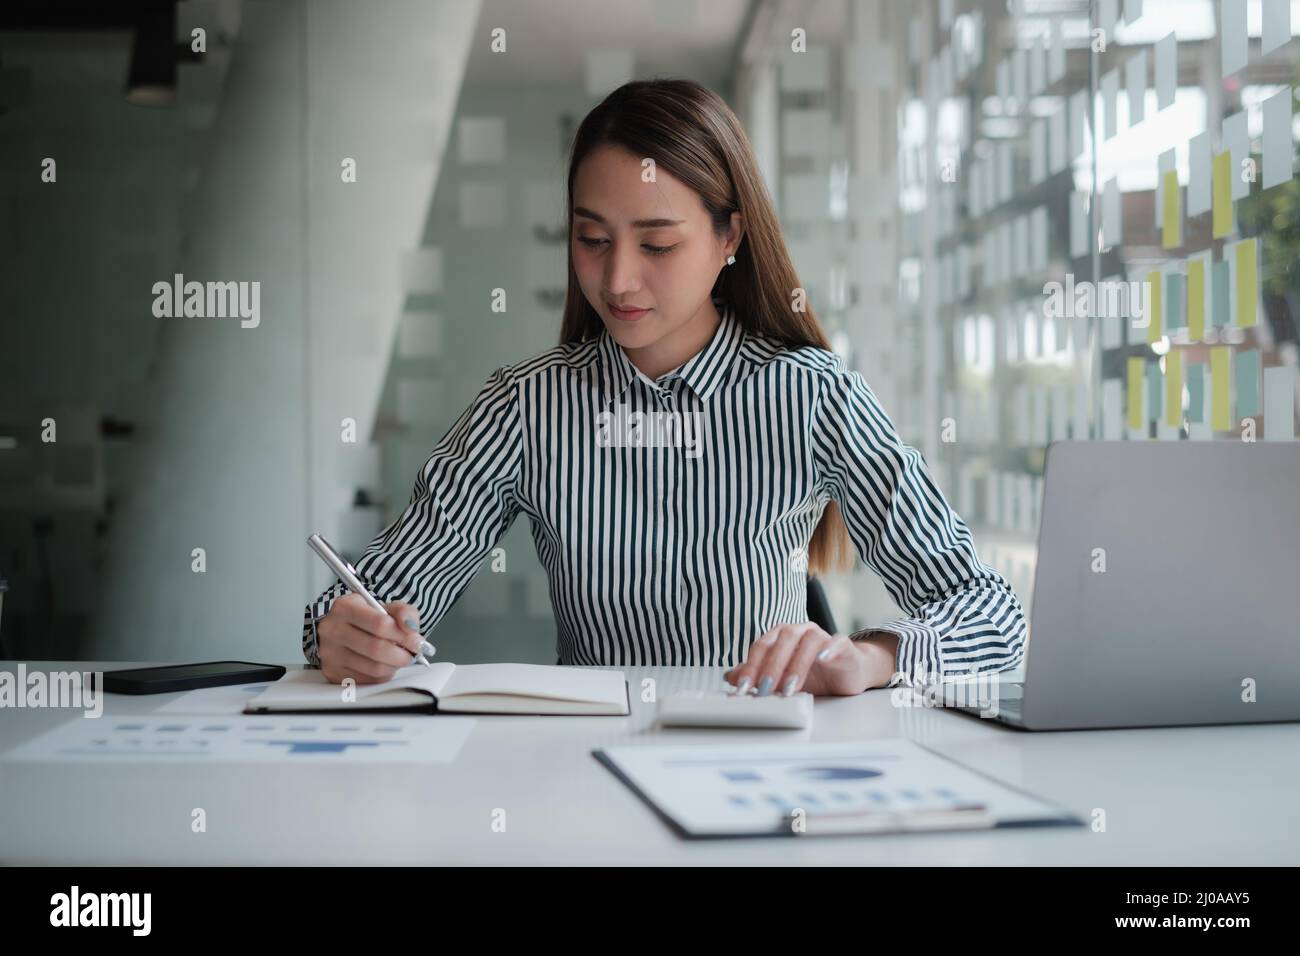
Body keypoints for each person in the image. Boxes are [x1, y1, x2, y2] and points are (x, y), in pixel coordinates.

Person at [303, 79, 1026, 698]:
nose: (618, 280)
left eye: (657, 244)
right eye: (592, 239)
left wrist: (868, 658)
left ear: (729, 237)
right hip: (590, 772)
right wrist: (347, 634)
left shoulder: (813, 397)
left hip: (761, 768)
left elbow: (991, 616)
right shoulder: (525, 406)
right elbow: (358, 601)